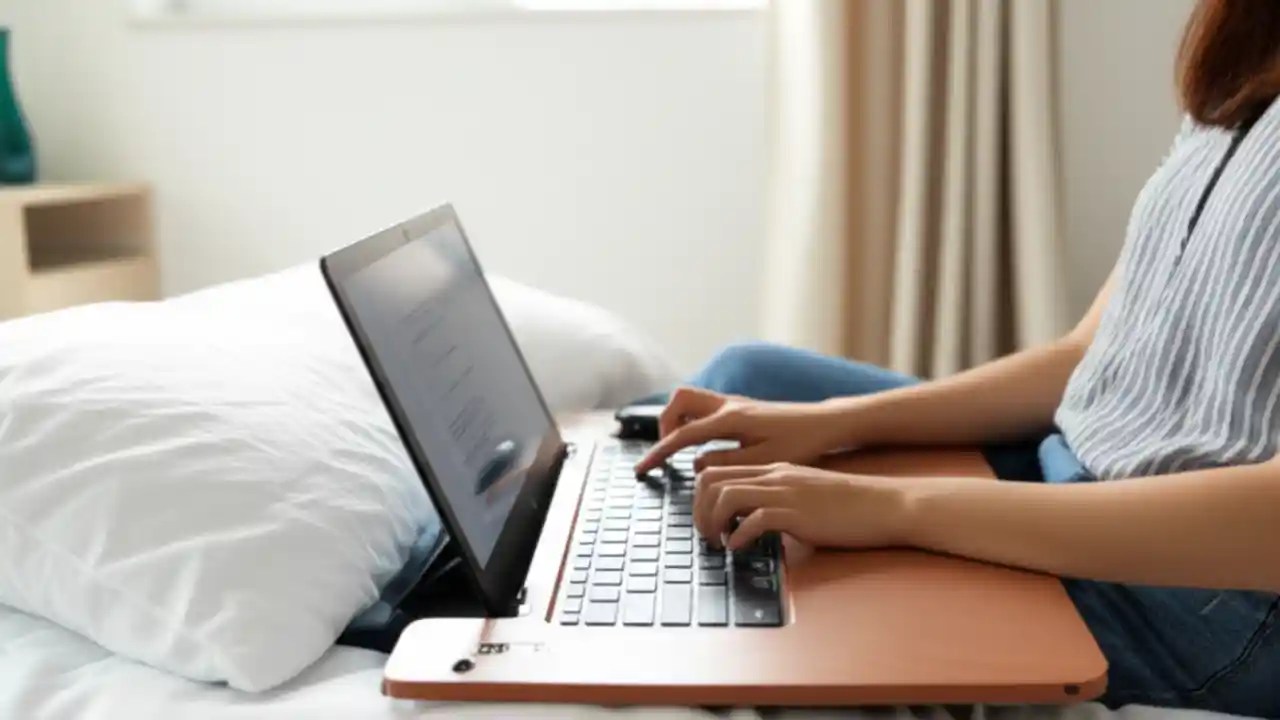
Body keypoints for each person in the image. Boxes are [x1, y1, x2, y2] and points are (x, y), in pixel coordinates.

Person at [634, 0, 1280, 715]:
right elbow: (1088, 355)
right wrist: (836, 422)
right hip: (1064, 468)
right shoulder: (1245, 73)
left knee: (829, 599)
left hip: (1204, 595)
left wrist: (894, 507)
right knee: (748, 379)